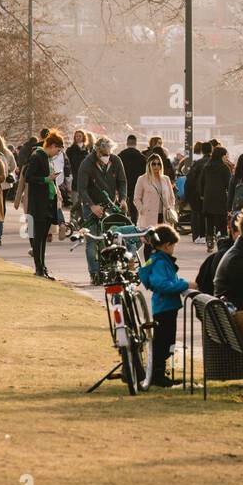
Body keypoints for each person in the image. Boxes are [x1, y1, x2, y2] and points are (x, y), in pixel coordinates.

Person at [138, 224, 195, 387]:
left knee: (165, 341)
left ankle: (158, 373)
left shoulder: (159, 260)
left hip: (166, 307)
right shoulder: (160, 262)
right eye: (173, 245)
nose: (174, 248)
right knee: (163, 342)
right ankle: (156, 374)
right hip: (165, 307)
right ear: (166, 245)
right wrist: (185, 285)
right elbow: (163, 284)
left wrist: (180, 283)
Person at [76, 137, 128, 282]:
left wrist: (123, 199)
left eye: (108, 154)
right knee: (92, 239)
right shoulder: (87, 163)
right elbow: (82, 188)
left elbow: (122, 182)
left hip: (110, 204)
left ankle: (110, 269)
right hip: (90, 205)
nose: (106, 157)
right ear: (97, 151)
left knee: (112, 238)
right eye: (103, 154)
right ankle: (94, 273)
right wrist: (92, 206)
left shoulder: (116, 161)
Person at [23, 132, 64, 278]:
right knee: (38, 237)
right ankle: (39, 267)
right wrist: (46, 179)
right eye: (58, 150)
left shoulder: (47, 159)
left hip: (48, 202)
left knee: (43, 237)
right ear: (52, 146)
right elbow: (28, 177)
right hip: (39, 202)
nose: (57, 153)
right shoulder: (37, 156)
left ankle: (43, 266)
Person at [198, 145, 233, 245]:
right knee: (222, 220)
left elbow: (201, 182)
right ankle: (223, 239)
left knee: (209, 220)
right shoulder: (224, 168)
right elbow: (228, 184)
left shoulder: (207, 167)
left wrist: (202, 194)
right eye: (225, 155)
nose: (227, 157)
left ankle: (209, 240)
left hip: (208, 197)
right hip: (221, 197)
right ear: (221, 156)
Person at [133, 154, 176, 229]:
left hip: (164, 216)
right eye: (153, 164)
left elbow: (172, 197)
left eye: (158, 164)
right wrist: (142, 209)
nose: (156, 166)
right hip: (148, 216)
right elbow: (136, 198)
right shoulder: (142, 179)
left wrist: (171, 208)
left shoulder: (166, 179)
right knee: (150, 239)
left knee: (164, 239)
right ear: (149, 165)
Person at [0, 134, 17, 246]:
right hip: (6, 184)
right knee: (2, 205)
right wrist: (9, 172)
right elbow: (13, 166)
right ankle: (0, 221)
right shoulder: (7, 153)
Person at [184, 141, 208, 241]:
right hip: (204, 192)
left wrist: (187, 195)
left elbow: (188, 177)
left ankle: (197, 236)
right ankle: (204, 235)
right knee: (204, 215)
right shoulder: (206, 162)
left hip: (194, 192)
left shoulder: (193, 161)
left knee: (195, 214)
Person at [118, 135, 146, 208]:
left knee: (122, 205)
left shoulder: (120, 156)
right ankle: (134, 219)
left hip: (123, 184)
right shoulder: (141, 157)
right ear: (136, 143)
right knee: (134, 206)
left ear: (127, 143)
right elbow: (145, 173)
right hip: (137, 184)